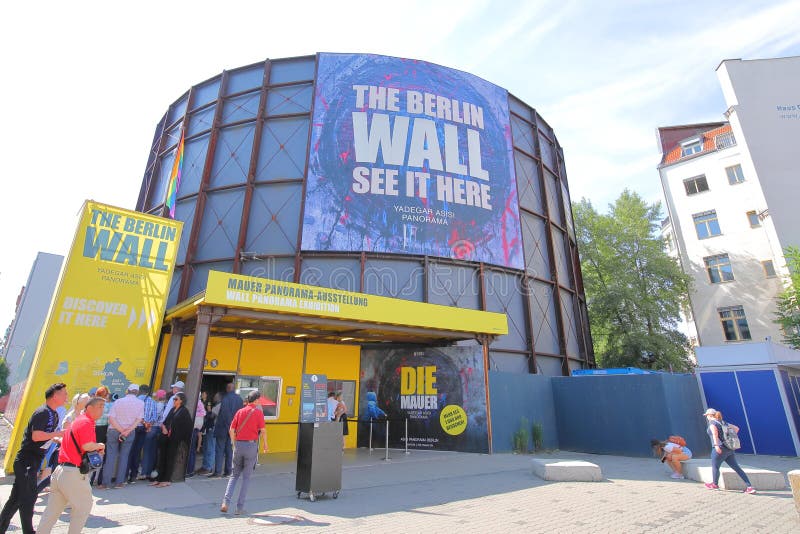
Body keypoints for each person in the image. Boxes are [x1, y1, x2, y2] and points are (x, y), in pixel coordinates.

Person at [0, 383, 67, 534]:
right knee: (28, 498)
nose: (66, 397)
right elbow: (36, 436)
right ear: (55, 396)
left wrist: (58, 440)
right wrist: (57, 434)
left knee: (16, 498)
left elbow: (45, 436)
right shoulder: (42, 412)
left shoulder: (54, 414)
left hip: (34, 461)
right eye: (64, 394)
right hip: (26, 461)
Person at [36, 396, 106, 534]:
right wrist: (100, 445)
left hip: (60, 471)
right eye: (100, 407)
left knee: (51, 512)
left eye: (103, 407)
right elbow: (86, 446)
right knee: (83, 508)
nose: (102, 410)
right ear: (89, 408)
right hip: (73, 473)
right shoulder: (86, 422)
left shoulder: (77, 421)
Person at [220, 390, 267, 515]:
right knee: (246, 478)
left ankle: (225, 502)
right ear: (256, 400)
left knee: (234, 475)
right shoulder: (258, 413)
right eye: (259, 399)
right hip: (251, 445)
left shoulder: (240, 411)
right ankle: (239, 508)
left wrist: (233, 443)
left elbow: (231, 429)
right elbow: (262, 430)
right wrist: (265, 445)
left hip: (239, 445)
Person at [101, 384, 144, 489]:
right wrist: (127, 431)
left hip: (114, 430)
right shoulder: (141, 403)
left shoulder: (118, 401)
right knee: (124, 456)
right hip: (129, 432)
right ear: (137, 392)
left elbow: (111, 418)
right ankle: (119, 482)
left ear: (127, 391)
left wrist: (121, 430)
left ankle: (105, 483)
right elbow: (139, 419)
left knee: (111, 456)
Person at [703, 408, 756, 493]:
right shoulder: (723, 422)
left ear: (710, 415)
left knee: (715, 467)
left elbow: (714, 435)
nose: (706, 417)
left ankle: (714, 484)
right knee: (737, 468)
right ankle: (749, 487)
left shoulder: (712, 424)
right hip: (729, 448)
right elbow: (736, 428)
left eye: (706, 416)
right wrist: (728, 438)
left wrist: (716, 446)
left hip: (719, 448)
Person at [152, 392, 193, 487]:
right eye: (174, 399)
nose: (174, 400)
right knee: (162, 457)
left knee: (170, 458)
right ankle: (159, 478)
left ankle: (166, 479)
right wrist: (164, 427)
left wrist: (175, 433)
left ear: (181, 401)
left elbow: (187, 426)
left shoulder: (184, 411)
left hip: (175, 438)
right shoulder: (172, 409)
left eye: (176, 399)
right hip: (166, 437)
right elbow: (165, 421)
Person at [209, 383, 243, 478]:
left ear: (228, 389)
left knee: (219, 450)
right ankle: (228, 471)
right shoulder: (239, 399)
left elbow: (224, 414)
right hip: (233, 430)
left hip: (223, 428)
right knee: (229, 451)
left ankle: (217, 472)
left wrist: (228, 426)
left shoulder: (224, 399)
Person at [127, 384, 156, 483]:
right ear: (148, 392)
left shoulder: (135, 400)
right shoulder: (152, 401)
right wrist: (148, 425)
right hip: (144, 429)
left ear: (139, 391)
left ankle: (125, 474)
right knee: (138, 451)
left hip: (133, 427)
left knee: (129, 450)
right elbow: (154, 417)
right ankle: (133, 475)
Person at [141, 388, 167, 480]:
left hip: (152, 428)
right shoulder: (166, 405)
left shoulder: (157, 405)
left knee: (147, 450)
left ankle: (144, 472)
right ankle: (151, 471)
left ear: (158, 396)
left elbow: (154, 417)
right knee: (154, 451)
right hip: (160, 429)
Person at [186, 394, 206, 477]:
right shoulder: (200, 403)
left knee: (190, 451)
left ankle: (189, 470)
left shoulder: (197, 403)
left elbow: (202, 413)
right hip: (196, 428)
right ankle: (190, 470)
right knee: (191, 450)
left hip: (193, 428)